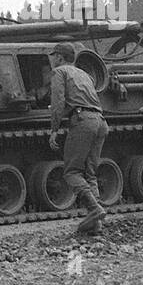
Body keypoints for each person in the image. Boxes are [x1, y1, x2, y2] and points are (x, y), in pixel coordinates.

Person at [47, 45, 109, 236]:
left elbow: (58, 103)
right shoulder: (83, 74)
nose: (52, 60)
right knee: (89, 173)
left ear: (59, 57)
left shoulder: (59, 72)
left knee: (72, 172)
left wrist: (54, 130)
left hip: (82, 121)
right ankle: (96, 223)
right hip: (100, 121)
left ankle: (96, 210)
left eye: (53, 56)